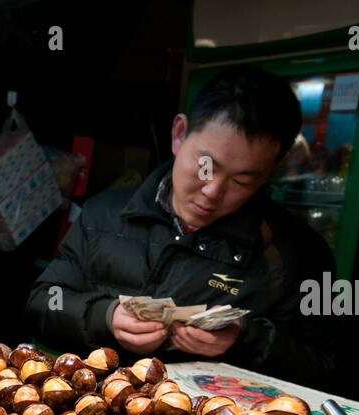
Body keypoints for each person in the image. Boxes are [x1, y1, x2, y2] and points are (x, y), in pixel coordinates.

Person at [26, 66, 342, 390]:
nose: (213, 191)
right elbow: (43, 302)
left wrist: (246, 339)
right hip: (95, 414)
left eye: (242, 180)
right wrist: (104, 318)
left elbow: (323, 368)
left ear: (273, 168)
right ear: (179, 134)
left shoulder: (299, 256)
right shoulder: (103, 214)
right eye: (206, 166)